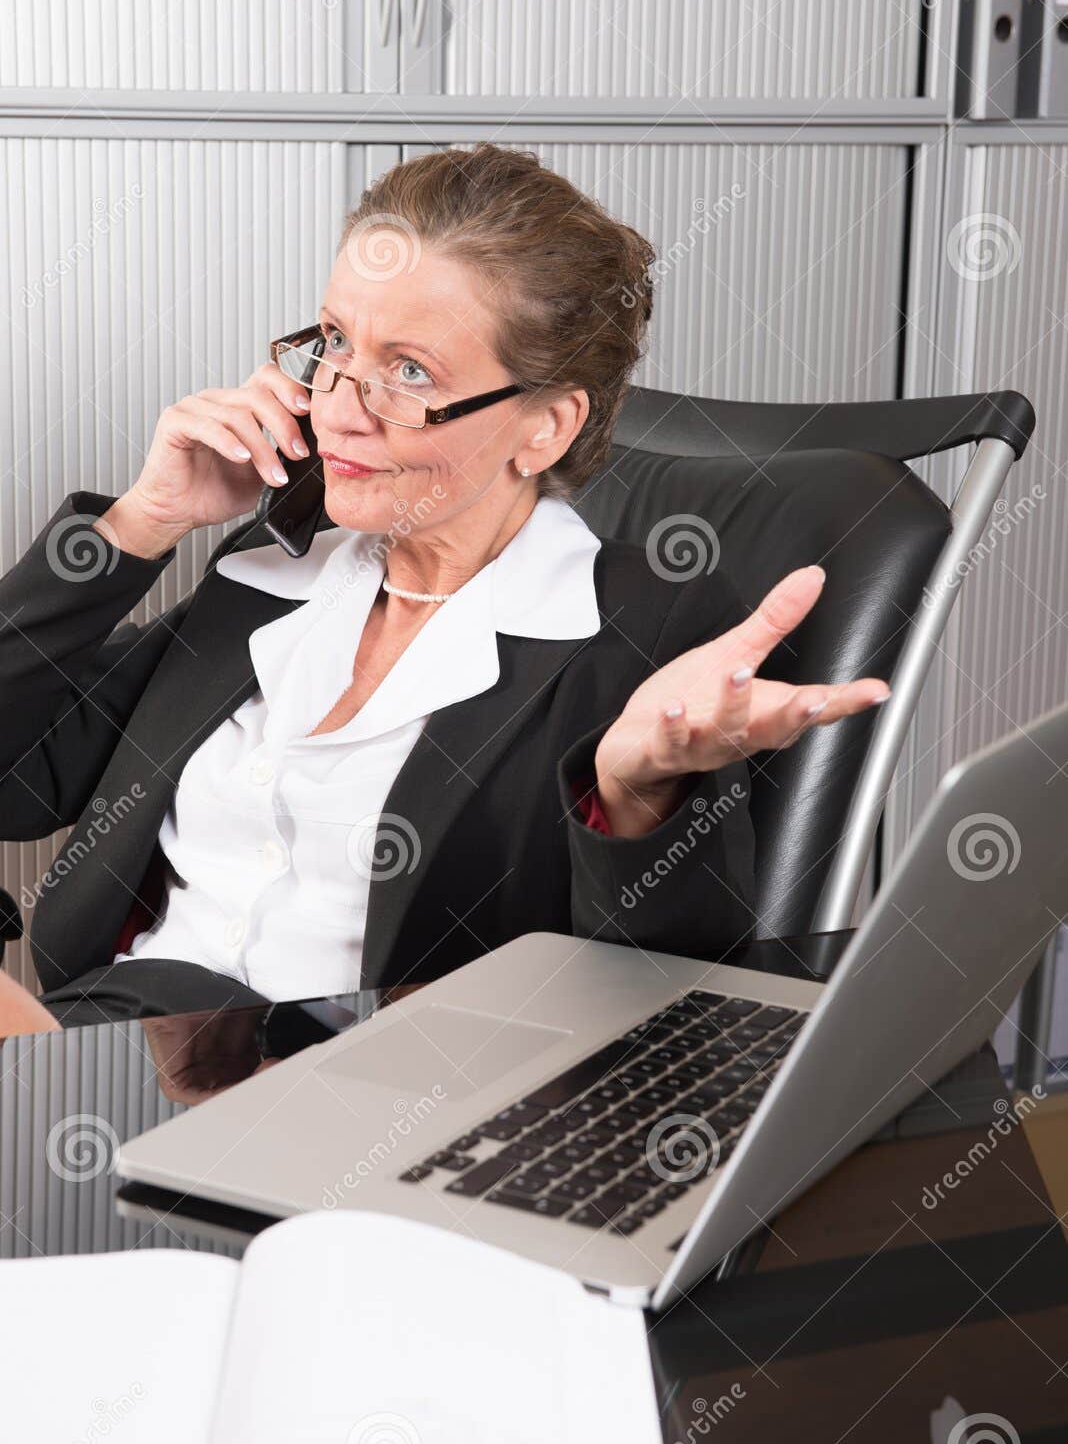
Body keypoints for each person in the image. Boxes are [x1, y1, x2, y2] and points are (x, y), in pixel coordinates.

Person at [0, 144, 888, 1030]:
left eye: (410, 372)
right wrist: (137, 525)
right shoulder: (279, 566)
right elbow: (16, 780)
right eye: (338, 342)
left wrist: (633, 790)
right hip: (120, 1052)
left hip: (352, 1101)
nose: (339, 405)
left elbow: (669, 1011)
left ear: (544, 426)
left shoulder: (637, 624)